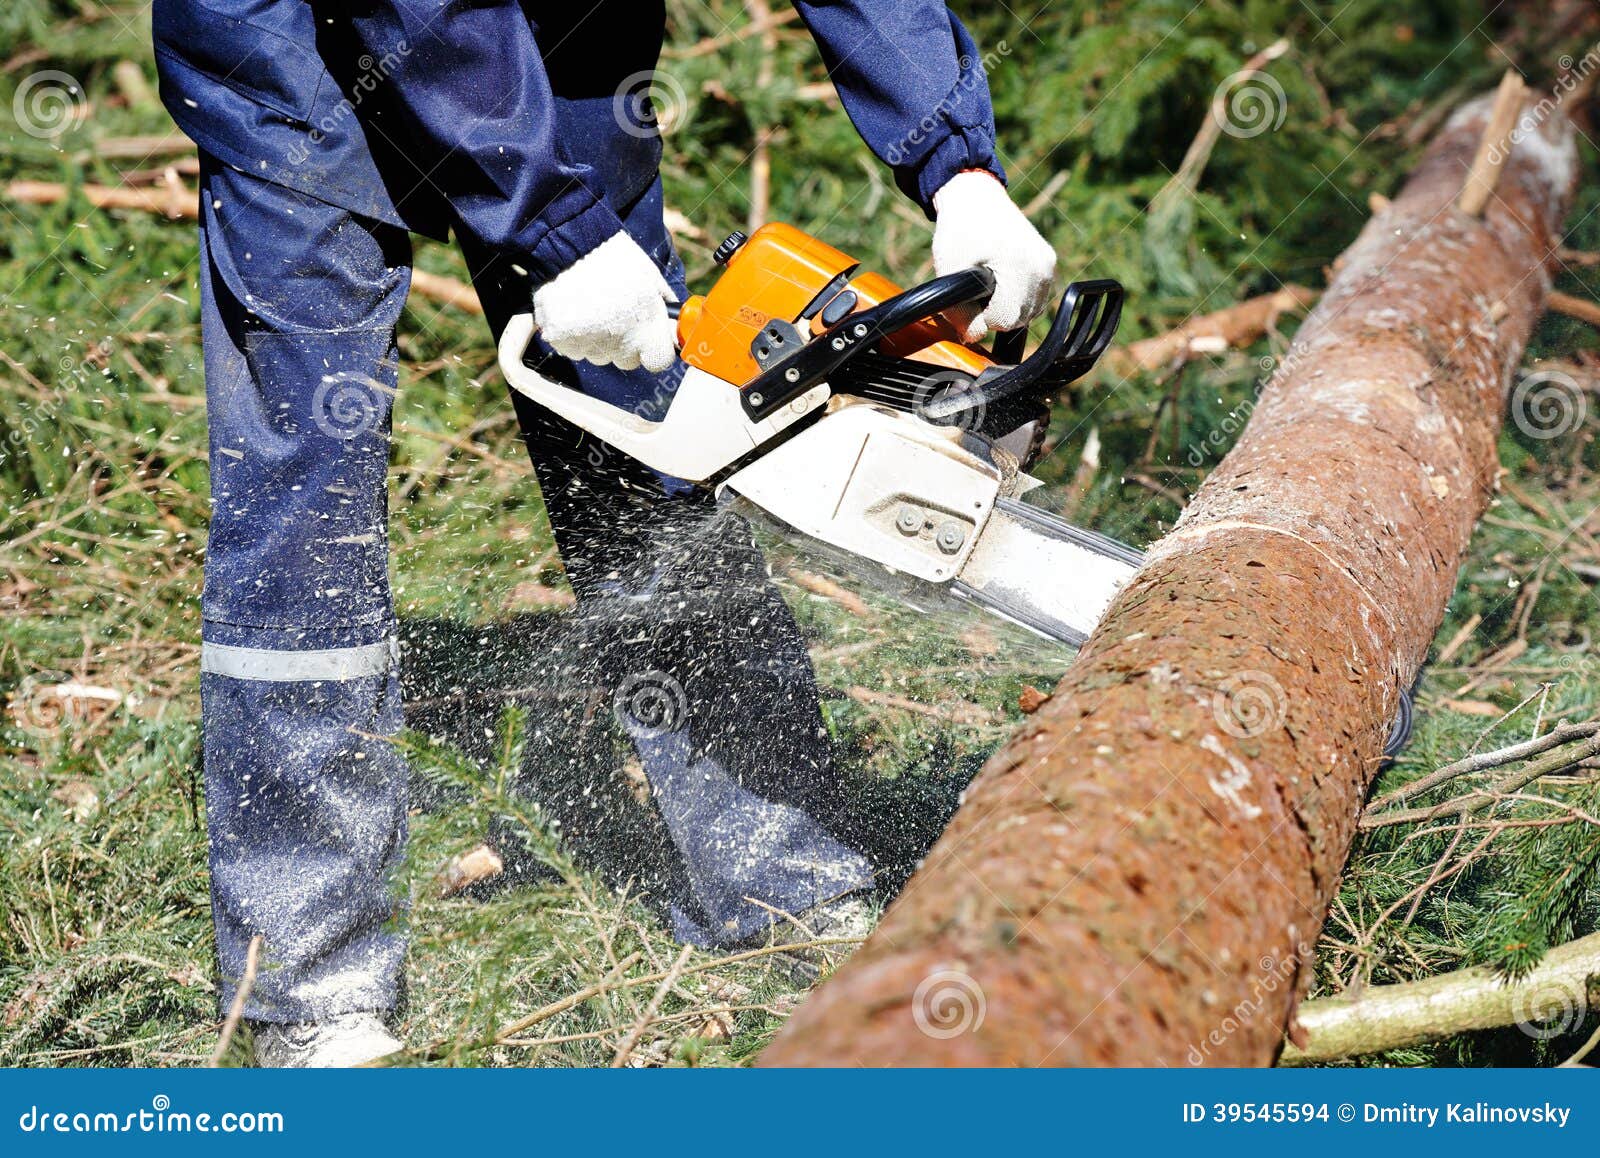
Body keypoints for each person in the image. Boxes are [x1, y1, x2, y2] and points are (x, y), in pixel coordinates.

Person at [152, 0, 1056, 1067]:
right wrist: (550, 223)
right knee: (309, 471)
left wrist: (957, 166)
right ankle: (310, 989)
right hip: (289, 48)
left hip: (565, 31)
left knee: (652, 431)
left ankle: (783, 887)